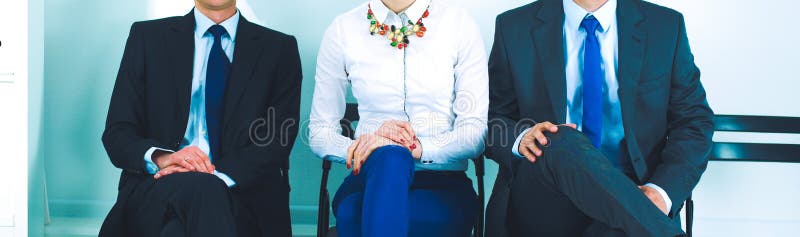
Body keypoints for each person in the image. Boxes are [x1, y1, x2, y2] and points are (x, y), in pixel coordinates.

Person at [484, 0, 714, 236]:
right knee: (558, 138)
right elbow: (490, 119)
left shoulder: (665, 26)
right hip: (546, 194)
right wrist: (522, 137)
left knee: (618, 224)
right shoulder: (513, 26)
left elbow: (694, 122)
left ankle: (641, 216)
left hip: (632, 190)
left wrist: (660, 193)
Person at [99, 0, 301, 236]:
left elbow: (277, 140)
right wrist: (165, 158)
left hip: (240, 192)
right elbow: (118, 132)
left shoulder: (278, 49)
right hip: (158, 187)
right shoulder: (148, 37)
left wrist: (210, 176)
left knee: (175, 230)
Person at [309, 0, 489, 236]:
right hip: (368, 176)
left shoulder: (459, 24)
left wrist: (415, 147)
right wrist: (368, 147)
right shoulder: (343, 29)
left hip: (442, 181)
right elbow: (320, 132)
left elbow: (474, 134)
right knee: (390, 159)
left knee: (353, 213)